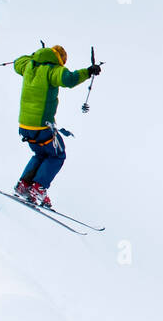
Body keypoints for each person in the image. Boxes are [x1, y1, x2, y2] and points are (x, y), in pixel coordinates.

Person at [12, 45, 100, 208]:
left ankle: (24, 185)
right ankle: (38, 188)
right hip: (42, 126)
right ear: (60, 60)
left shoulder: (28, 65)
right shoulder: (53, 70)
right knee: (58, 155)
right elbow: (69, 79)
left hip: (24, 125)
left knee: (41, 154)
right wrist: (88, 72)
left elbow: (17, 62)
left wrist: (35, 56)